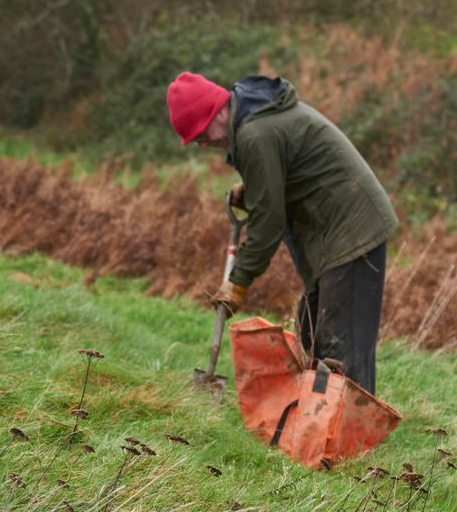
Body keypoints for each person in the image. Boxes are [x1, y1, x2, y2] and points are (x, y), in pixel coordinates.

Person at [166, 72, 398, 393]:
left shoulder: (254, 134)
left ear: (218, 111)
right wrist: (250, 192)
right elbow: (285, 172)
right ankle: (323, 428)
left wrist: (238, 282)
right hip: (335, 231)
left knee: (341, 349)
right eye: (196, 141)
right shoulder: (255, 120)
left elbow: (268, 221)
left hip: (353, 232)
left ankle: (353, 437)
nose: (204, 144)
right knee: (312, 331)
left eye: (202, 134)